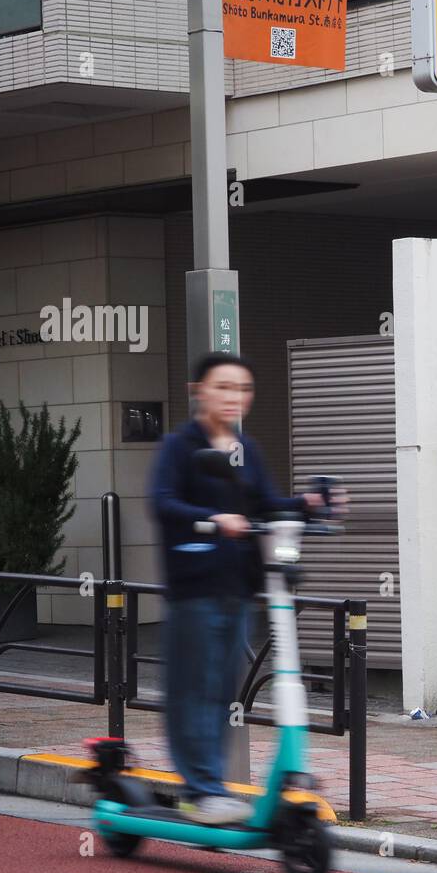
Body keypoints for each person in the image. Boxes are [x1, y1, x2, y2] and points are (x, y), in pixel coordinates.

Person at [149, 352, 345, 825]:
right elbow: (163, 502)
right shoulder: (180, 446)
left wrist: (310, 503)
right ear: (200, 391)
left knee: (221, 691)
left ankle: (213, 786)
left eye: (242, 389)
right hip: (195, 588)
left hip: (237, 589)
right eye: (223, 387)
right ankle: (200, 788)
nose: (234, 397)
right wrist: (212, 519)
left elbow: (268, 504)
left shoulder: (246, 450)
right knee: (194, 689)